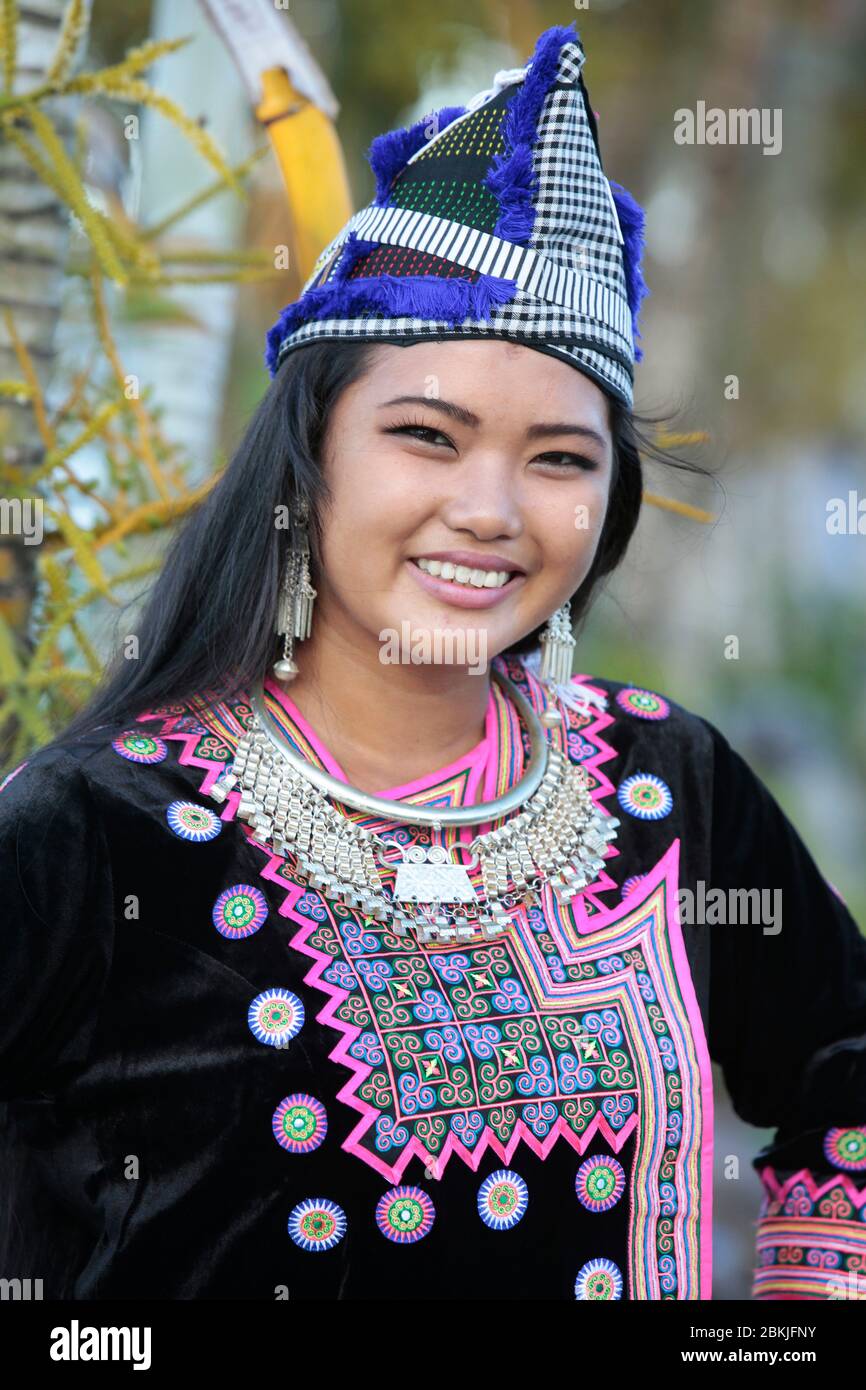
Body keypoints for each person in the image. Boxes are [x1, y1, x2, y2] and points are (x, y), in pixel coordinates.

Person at [1, 21, 864, 1302]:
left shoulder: (664, 784)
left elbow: (840, 1079)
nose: (492, 510)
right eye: (427, 434)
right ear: (309, 453)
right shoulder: (102, 827)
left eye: (560, 457)